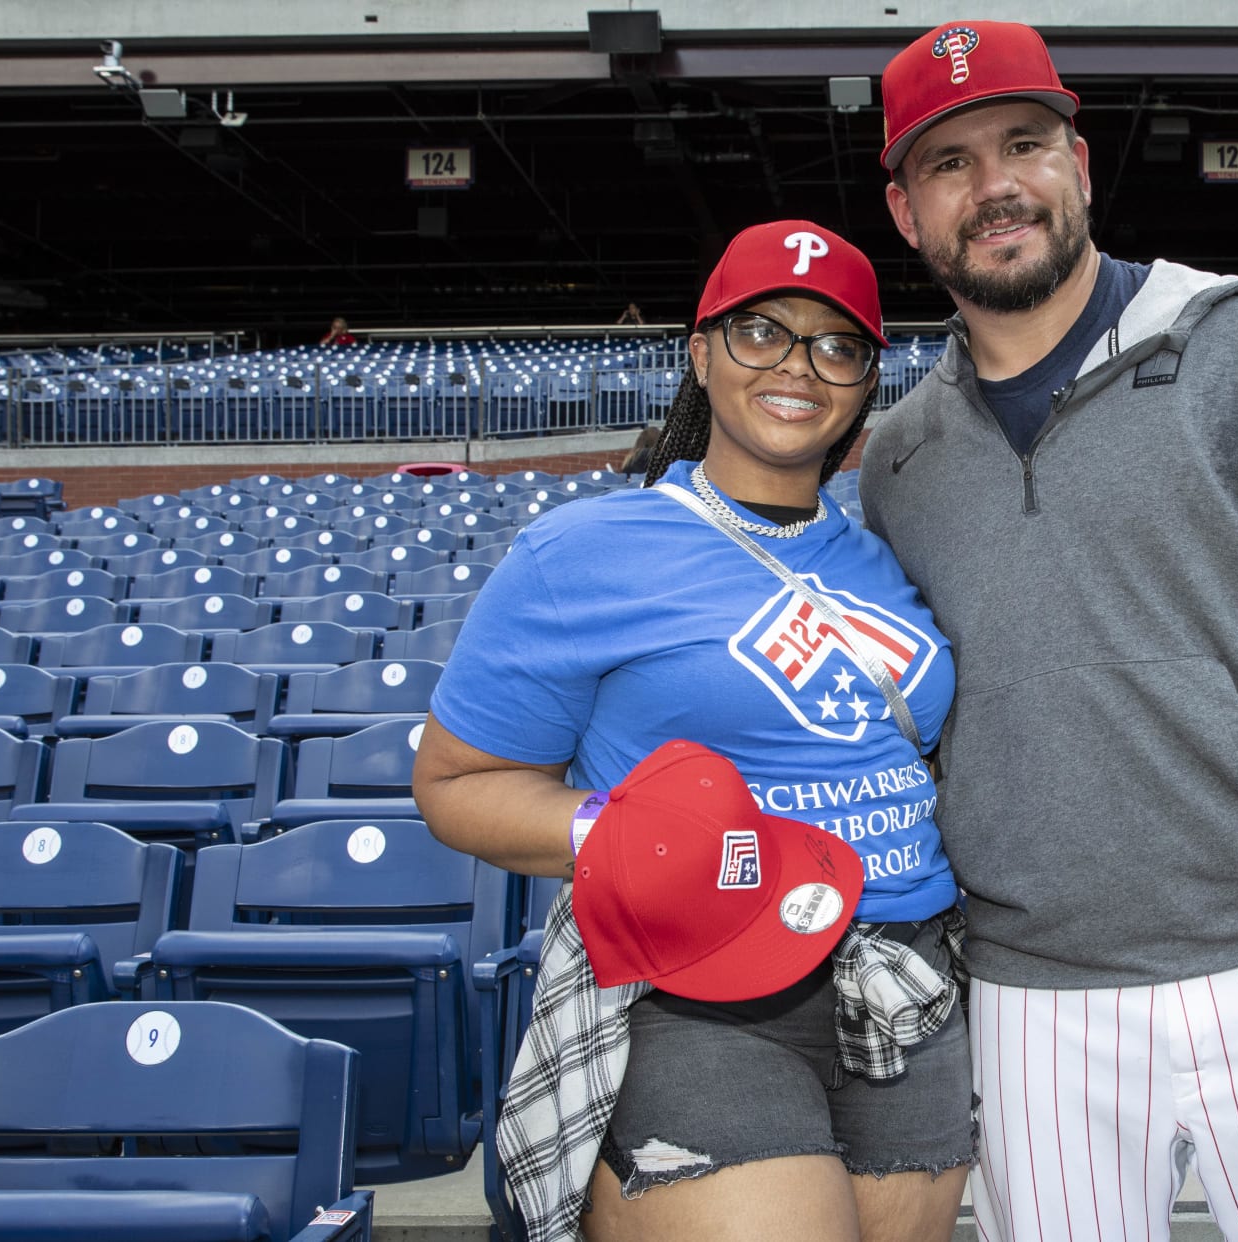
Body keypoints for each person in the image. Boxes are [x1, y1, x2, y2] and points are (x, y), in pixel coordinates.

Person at [866, 22, 1238, 1241]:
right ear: (904, 210)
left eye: (1024, 144)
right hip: (1031, 1004)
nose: (996, 187)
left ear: (1079, 163)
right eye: (951, 164)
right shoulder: (897, 459)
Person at [414, 220, 973, 1242]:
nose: (799, 365)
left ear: (865, 382)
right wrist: (624, 837)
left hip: (907, 980)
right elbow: (454, 784)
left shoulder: (886, 560)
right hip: (701, 982)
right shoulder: (581, 550)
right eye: (762, 330)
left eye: (836, 344)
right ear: (700, 350)